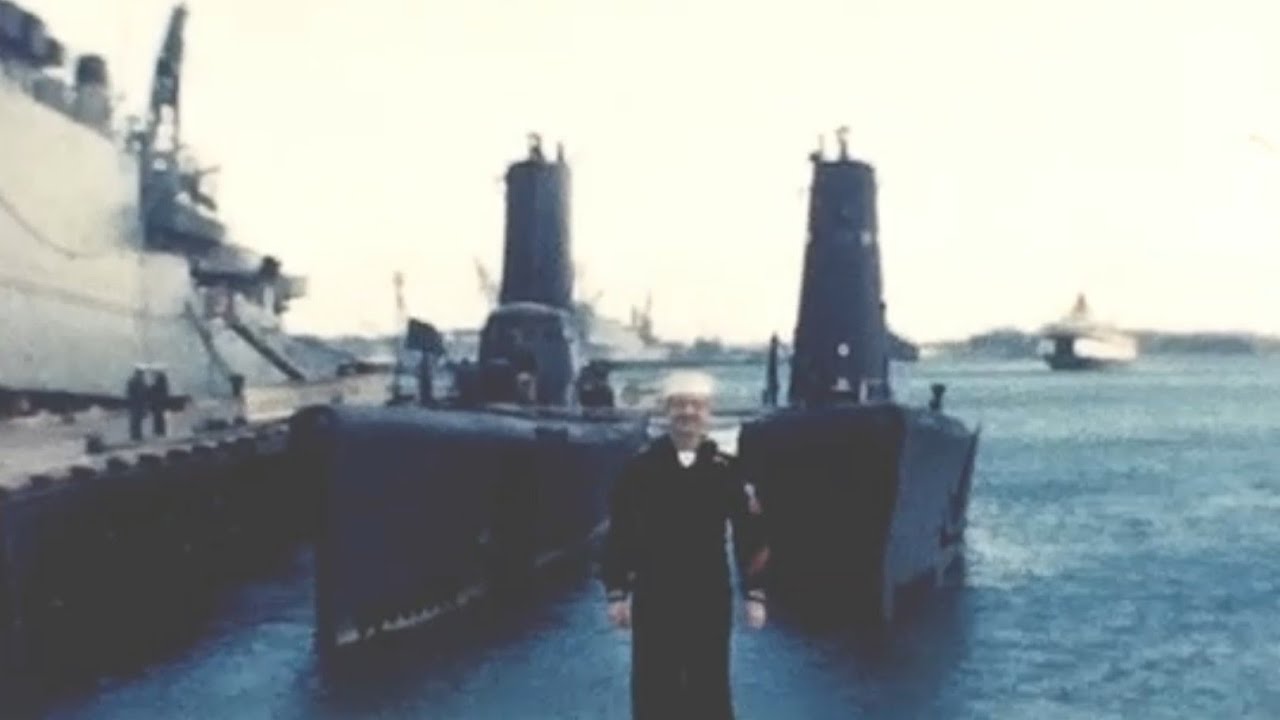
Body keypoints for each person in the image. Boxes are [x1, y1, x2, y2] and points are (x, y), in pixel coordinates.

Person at [601, 370, 769, 720]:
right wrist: (617, 592)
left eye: (696, 405)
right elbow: (621, 533)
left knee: (709, 686)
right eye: (679, 405)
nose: (687, 413)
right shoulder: (641, 470)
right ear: (666, 411)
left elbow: (750, 534)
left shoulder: (726, 470)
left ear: (708, 413)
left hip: (708, 593)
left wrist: (754, 594)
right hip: (655, 592)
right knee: (653, 686)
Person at [126, 368, 148, 441]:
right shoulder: (140, 382)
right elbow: (143, 392)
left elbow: (128, 392)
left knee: (135, 420)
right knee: (137, 420)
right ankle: (137, 435)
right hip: (138, 403)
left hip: (133, 403)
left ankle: (135, 435)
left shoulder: (131, 381)